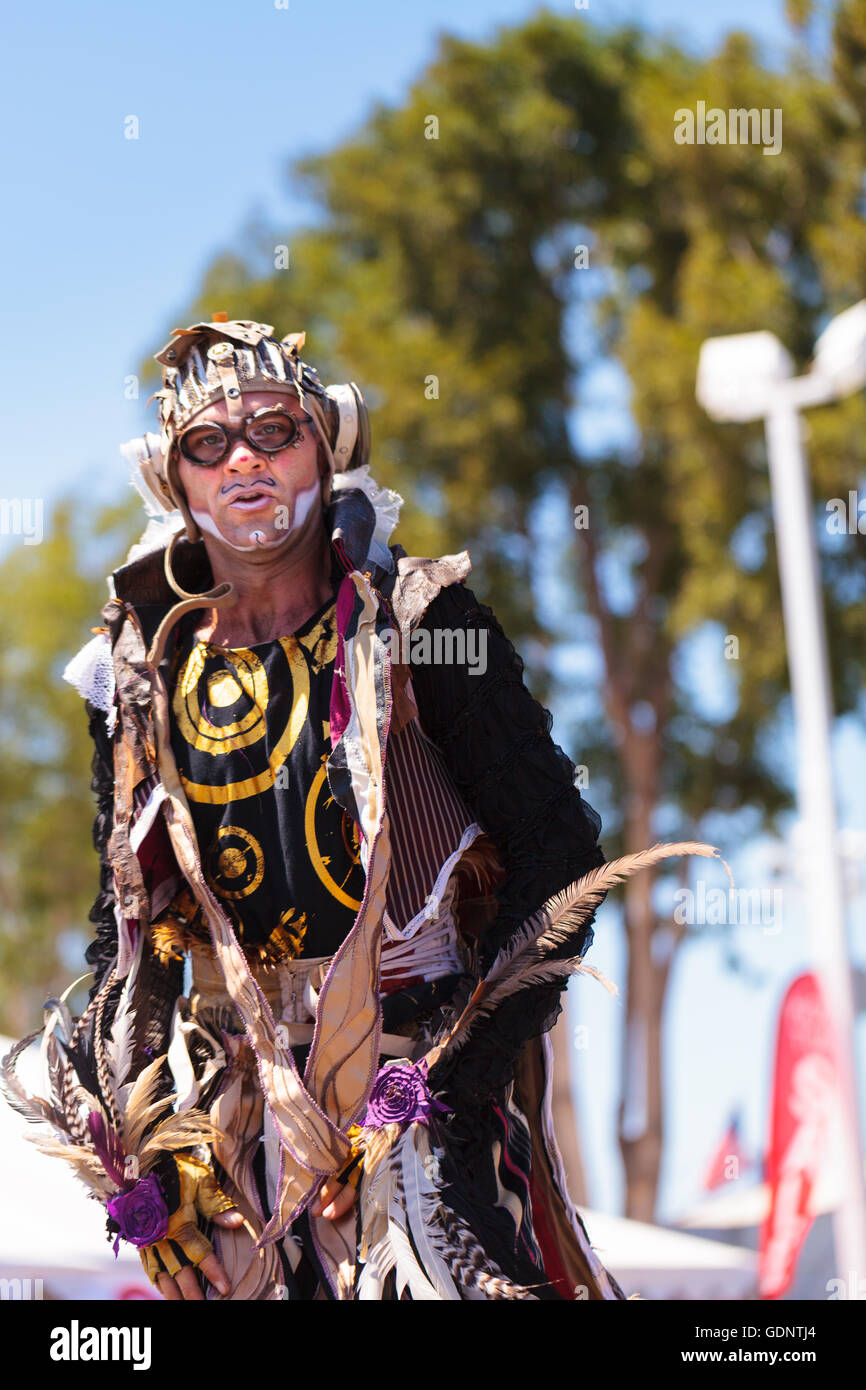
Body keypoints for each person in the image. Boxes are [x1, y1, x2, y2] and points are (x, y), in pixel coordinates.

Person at [3, 315, 629, 1301]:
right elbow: (126, 934)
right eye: (207, 445)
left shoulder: (421, 620)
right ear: (175, 481)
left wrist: (437, 1086)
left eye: (272, 432)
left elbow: (557, 859)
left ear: (324, 446)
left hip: (421, 1080)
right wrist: (148, 1161)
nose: (242, 459)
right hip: (237, 1116)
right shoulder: (137, 671)